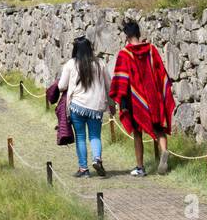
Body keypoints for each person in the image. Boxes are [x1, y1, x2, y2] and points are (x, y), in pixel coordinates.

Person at [109, 19, 176, 177]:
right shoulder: (151, 49)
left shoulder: (125, 54)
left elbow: (121, 80)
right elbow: (161, 73)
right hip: (154, 97)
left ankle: (140, 167)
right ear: (138, 34)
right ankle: (164, 151)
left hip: (135, 100)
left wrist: (119, 101)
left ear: (126, 36)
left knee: (137, 133)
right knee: (158, 128)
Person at [58, 36, 109, 178]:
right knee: (95, 136)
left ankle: (83, 169)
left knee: (80, 137)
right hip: (95, 107)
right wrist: (111, 105)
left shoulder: (71, 64)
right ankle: (97, 159)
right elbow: (108, 85)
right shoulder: (100, 64)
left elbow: (61, 86)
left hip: (77, 106)